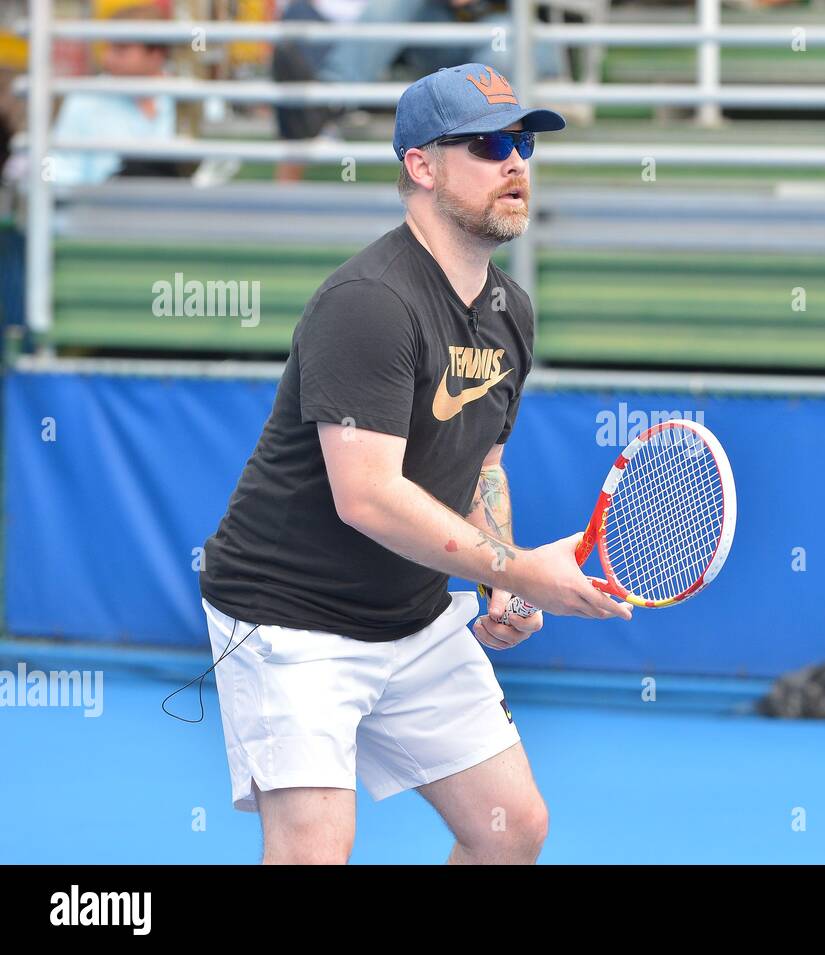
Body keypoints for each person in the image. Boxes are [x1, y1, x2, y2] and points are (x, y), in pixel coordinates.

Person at [198, 63, 632, 865]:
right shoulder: (368, 302)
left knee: (511, 827)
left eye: (524, 142)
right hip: (288, 615)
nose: (516, 163)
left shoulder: (510, 313)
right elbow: (368, 496)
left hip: (413, 615)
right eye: (488, 143)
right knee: (314, 849)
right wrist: (527, 571)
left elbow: (479, 471)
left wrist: (497, 579)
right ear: (420, 166)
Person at [46, 2, 182, 186]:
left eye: (121, 49)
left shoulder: (186, 98)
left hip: (176, 211)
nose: (107, 58)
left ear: (156, 54)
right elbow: (60, 171)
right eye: (109, 47)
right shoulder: (86, 98)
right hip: (98, 210)